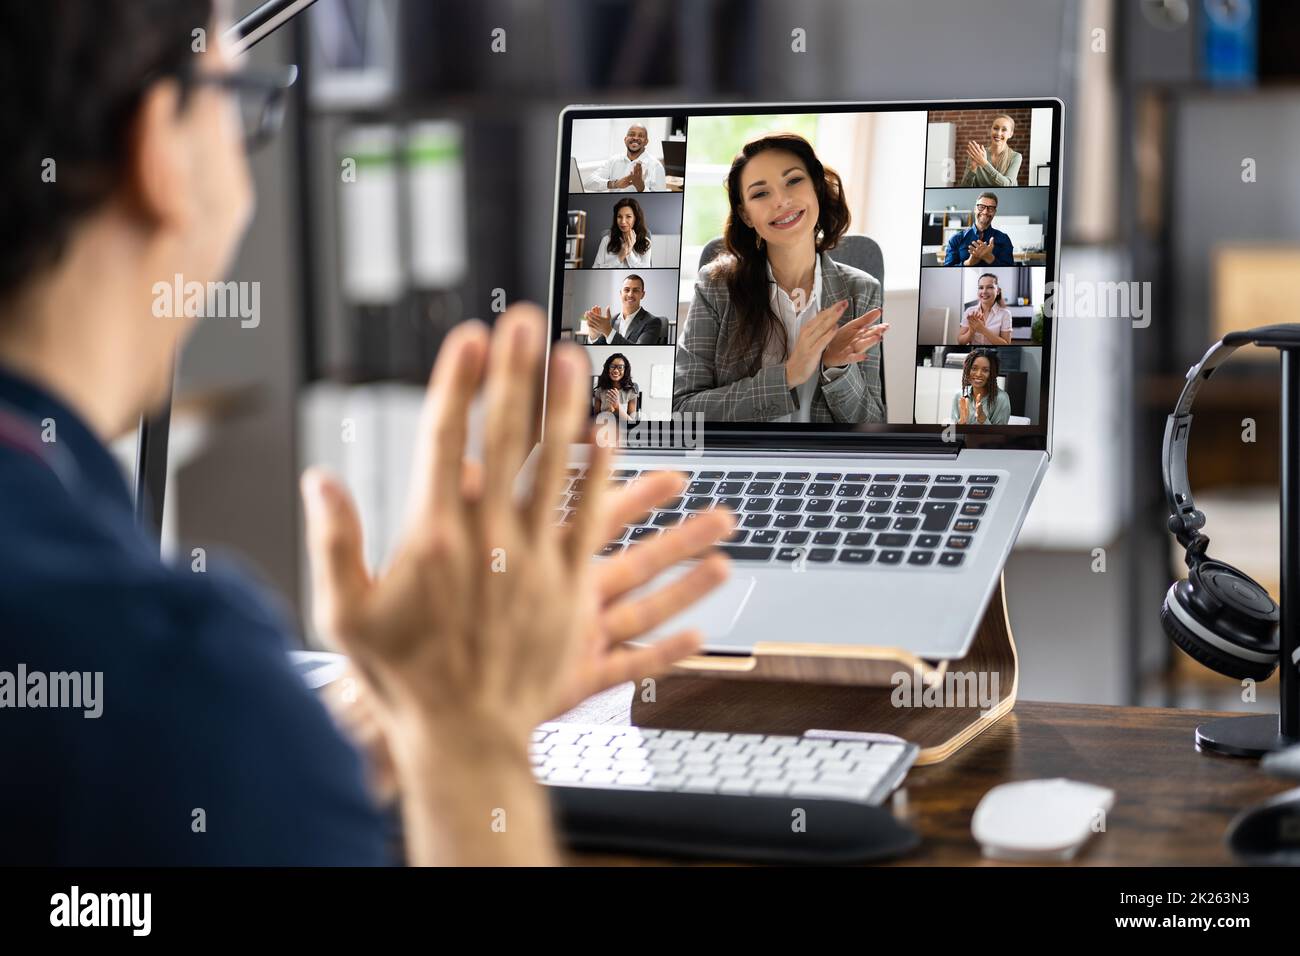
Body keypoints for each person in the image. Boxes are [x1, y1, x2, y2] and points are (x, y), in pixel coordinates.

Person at [0, 0, 734, 866]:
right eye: (243, 103)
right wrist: (469, 738)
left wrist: (380, 722)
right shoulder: (173, 684)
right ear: (161, 152)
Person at [673, 133, 888, 423]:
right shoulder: (715, 287)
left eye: (794, 181)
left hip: (826, 464)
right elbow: (682, 411)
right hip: (743, 461)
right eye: (761, 193)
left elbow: (873, 424)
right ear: (746, 215)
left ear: (816, 189)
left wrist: (837, 367)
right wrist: (787, 375)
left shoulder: (862, 290)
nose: (782, 201)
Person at [583, 274, 668, 345]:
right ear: (621, 293)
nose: (630, 294)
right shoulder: (612, 320)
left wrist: (608, 331)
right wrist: (593, 335)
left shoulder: (653, 322)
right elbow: (600, 348)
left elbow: (639, 351)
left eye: (635, 290)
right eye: (626, 290)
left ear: (642, 294)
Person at [584, 123, 667, 193]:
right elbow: (588, 183)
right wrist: (615, 184)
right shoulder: (614, 160)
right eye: (631, 134)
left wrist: (641, 188)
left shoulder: (656, 166)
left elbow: (661, 201)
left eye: (640, 136)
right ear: (625, 139)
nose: (635, 138)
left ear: (646, 142)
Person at [943, 191, 1014, 267]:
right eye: (981, 207)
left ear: (994, 212)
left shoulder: (1004, 239)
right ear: (975, 209)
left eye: (990, 208)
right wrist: (968, 263)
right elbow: (947, 269)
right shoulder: (956, 239)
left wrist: (990, 258)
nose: (985, 211)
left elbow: (1010, 268)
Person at [959, 114, 1022, 188]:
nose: (998, 133)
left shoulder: (1015, 157)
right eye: (995, 128)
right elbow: (964, 188)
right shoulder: (977, 154)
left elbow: (1008, 185)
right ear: (991, 130)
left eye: (1004, 130)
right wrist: (973, 169)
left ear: (1010, 134)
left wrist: (984, 163)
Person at [951, 350, 1011, 425]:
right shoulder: (959, 395)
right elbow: (952, 432)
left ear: (992, 373)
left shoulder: (1002, 398)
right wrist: (961, 422)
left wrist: (983, 419)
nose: (978, 374)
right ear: (967, 369)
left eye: (985, 370)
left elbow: (1000, 435)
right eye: (974, 368)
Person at [592, 197, 653, 268]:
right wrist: (620, 257)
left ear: (636, 219)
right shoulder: (606, 240)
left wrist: (629, 252)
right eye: (619, 216)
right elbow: (595, 268)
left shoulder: (646, 243)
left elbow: (645, 272)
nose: (623, 221)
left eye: (628, 216)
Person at [958, 274, 1014, 345]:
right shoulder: (970, 311)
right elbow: (961, 341)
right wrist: (972, 330)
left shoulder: (1005, 314)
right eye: (981, 287)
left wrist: (982, 329)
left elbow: (1006, 344)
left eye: (990, 287)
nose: (984, 291)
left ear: (998, 291)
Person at [591, 353, 639, 421]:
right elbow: (595, 420)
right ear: (608, 369)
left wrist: (617, 406)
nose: (616, 371)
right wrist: (608, 411)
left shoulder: (632, 392)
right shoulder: (600, 390)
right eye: (612, 366)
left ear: (625, 370)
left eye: (620, 367)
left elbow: (632, 422)